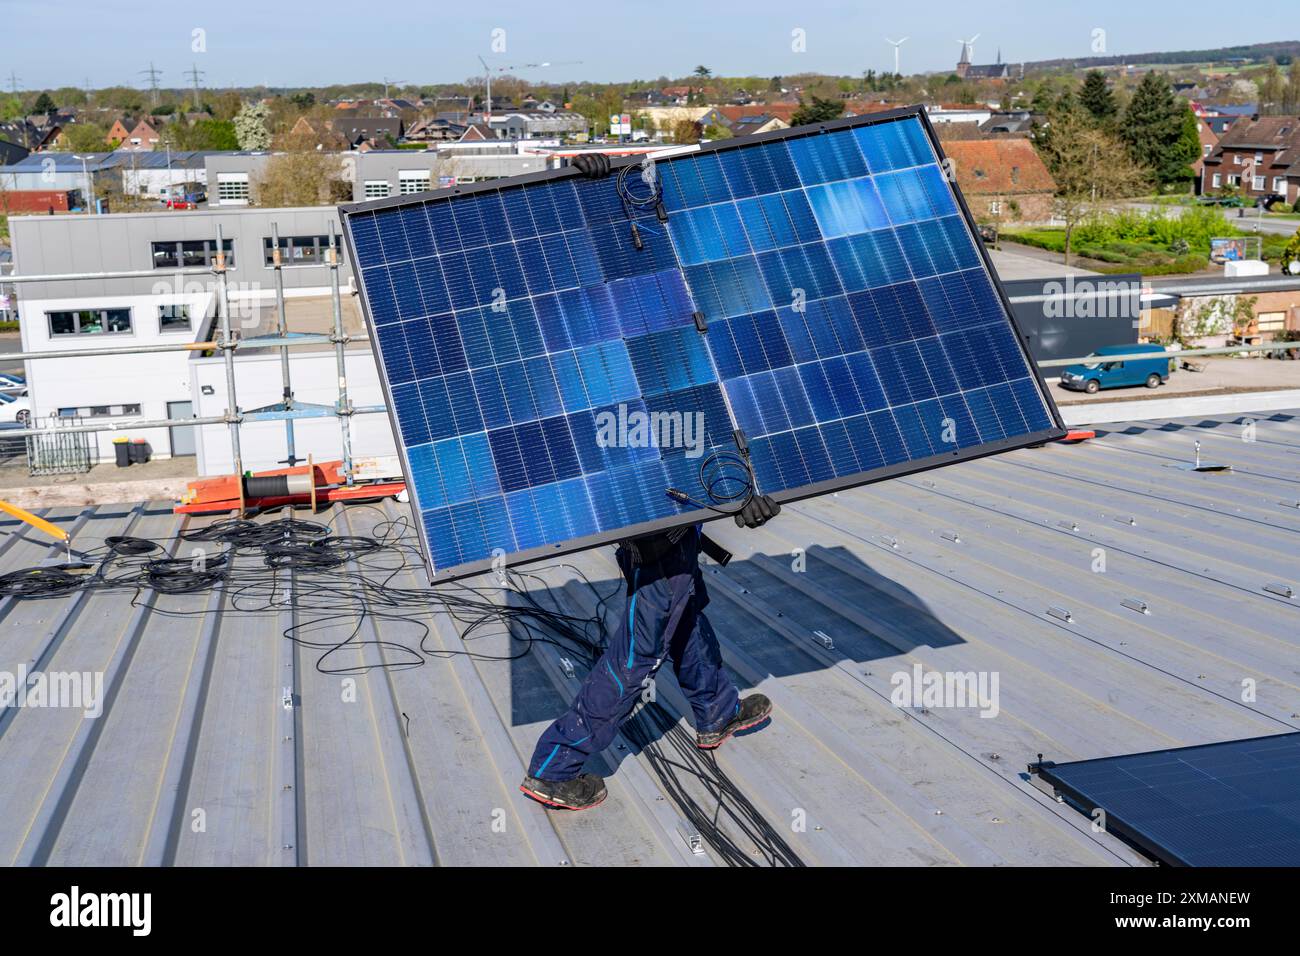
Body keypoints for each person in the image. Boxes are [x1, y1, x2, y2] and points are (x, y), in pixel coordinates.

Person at [519, 153, 781, 811]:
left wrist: (751, 485)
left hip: (670, 510)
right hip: (654, 513)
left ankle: (716, 710)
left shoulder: (659, 320)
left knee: (685, 601)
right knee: (638, 649)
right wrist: (579, 191)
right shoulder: (623, 336)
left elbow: (715, 407)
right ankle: (557, 764)